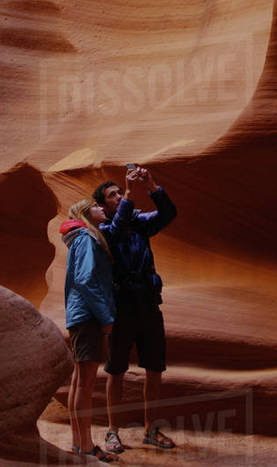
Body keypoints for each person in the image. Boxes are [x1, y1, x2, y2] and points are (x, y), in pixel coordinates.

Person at [95, 167, 178, 454]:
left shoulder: (139, 222)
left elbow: (168, 214)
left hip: (148, 304)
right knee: (115, 370)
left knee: (155, 368)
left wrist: (152, 185)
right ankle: (112, 432)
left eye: (120, 192)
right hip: (121, 308)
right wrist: (130, 194)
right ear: (103, 205)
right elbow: (116, 232)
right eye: (112, 195)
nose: (118, 196)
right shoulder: (105, 229)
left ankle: (151, 429)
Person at [61, 198, 120, 463]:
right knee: (85, 385)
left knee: (78, 382)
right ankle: (85, 446)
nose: (102, 209)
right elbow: (85, 280)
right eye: (97, 206)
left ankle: (78, 444)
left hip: (79, 316)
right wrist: (105, 316)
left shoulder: (79, 239)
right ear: (86, 213)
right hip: (89, 317)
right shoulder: (86, 238)